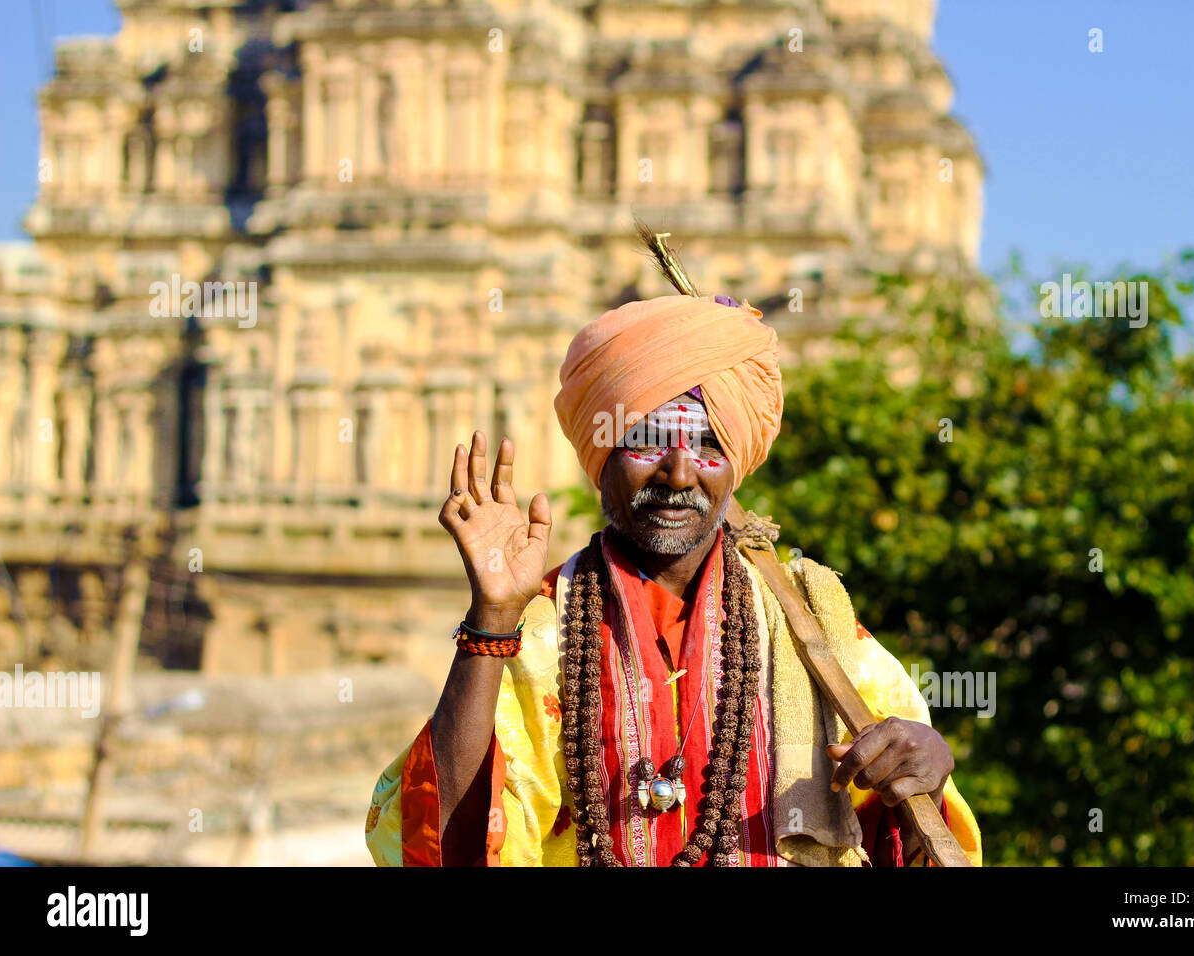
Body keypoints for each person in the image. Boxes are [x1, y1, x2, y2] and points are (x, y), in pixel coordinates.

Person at [365, 291, 982, 866]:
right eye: (647, 441)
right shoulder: (542, 634)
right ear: (600, 460)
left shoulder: (811, 620)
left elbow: (905, 822)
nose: (680, 473)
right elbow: (443, 842)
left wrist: (929, 763)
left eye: (710, 445)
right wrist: (493, 617)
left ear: (734, 466)